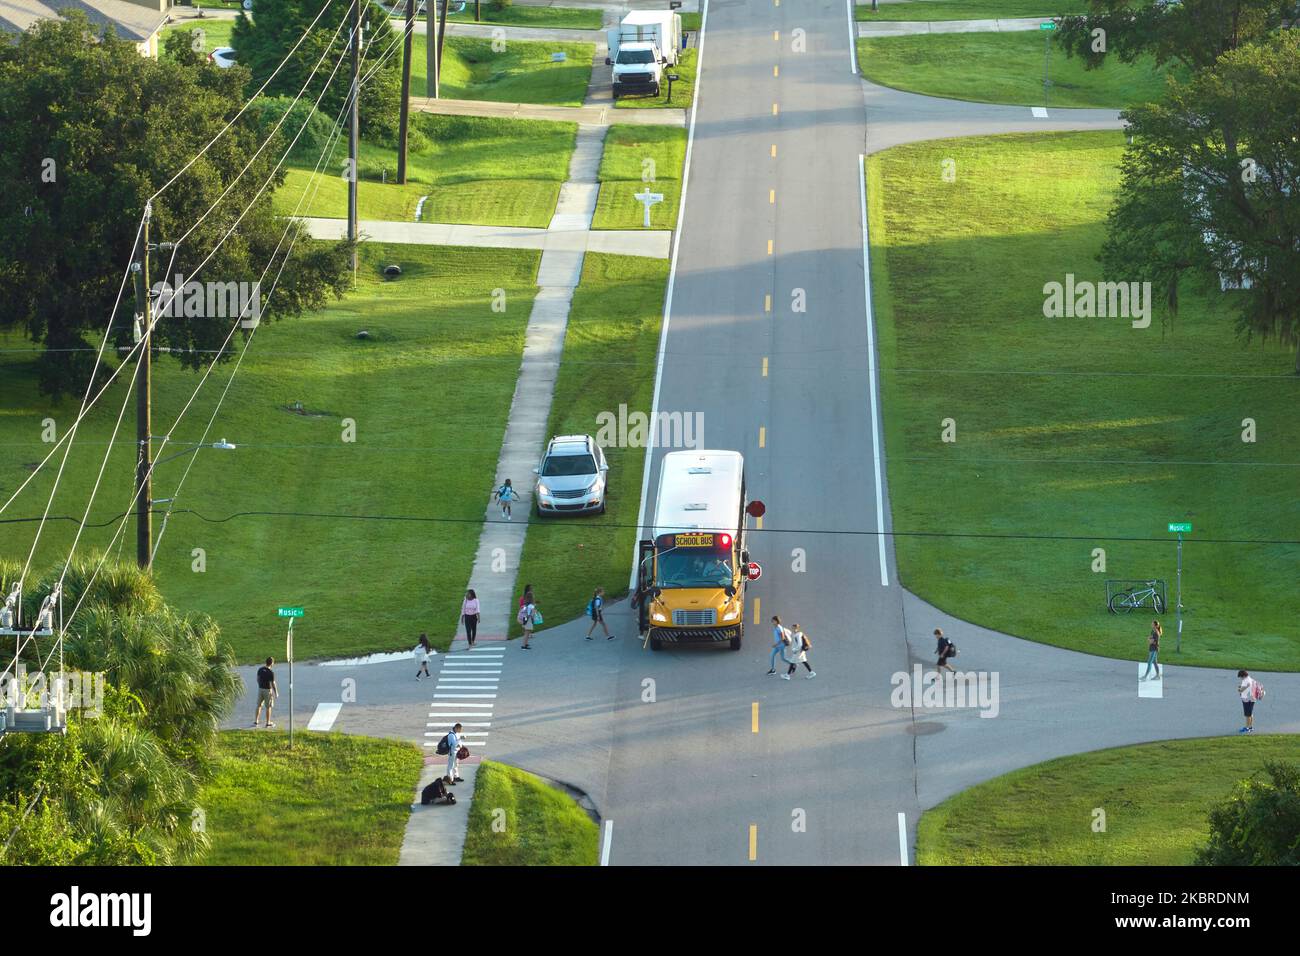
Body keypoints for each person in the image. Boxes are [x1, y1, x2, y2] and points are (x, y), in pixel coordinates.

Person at [252, 657, 278, 727]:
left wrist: (260, 685)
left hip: (260, 689)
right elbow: (273, 684)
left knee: (259, 705)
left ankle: (256, 720)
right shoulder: (271, 673)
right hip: (267, 690)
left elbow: (257, 679)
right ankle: (268, 722)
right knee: (268, 707)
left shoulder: (260, 669)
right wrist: (276, 692)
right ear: (272, 663)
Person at [1237, 670, 1260, 734]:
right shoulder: (1251, 679)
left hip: (1247, 700)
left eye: (1240, 677)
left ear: (1243, 676)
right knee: (1250, 714)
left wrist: (1239, 688)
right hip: (1252, 699)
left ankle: (1247, 728)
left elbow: (1241, 690)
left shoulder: (1245, 681)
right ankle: (1250, 727)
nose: (1240, 678)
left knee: (1247, 715)